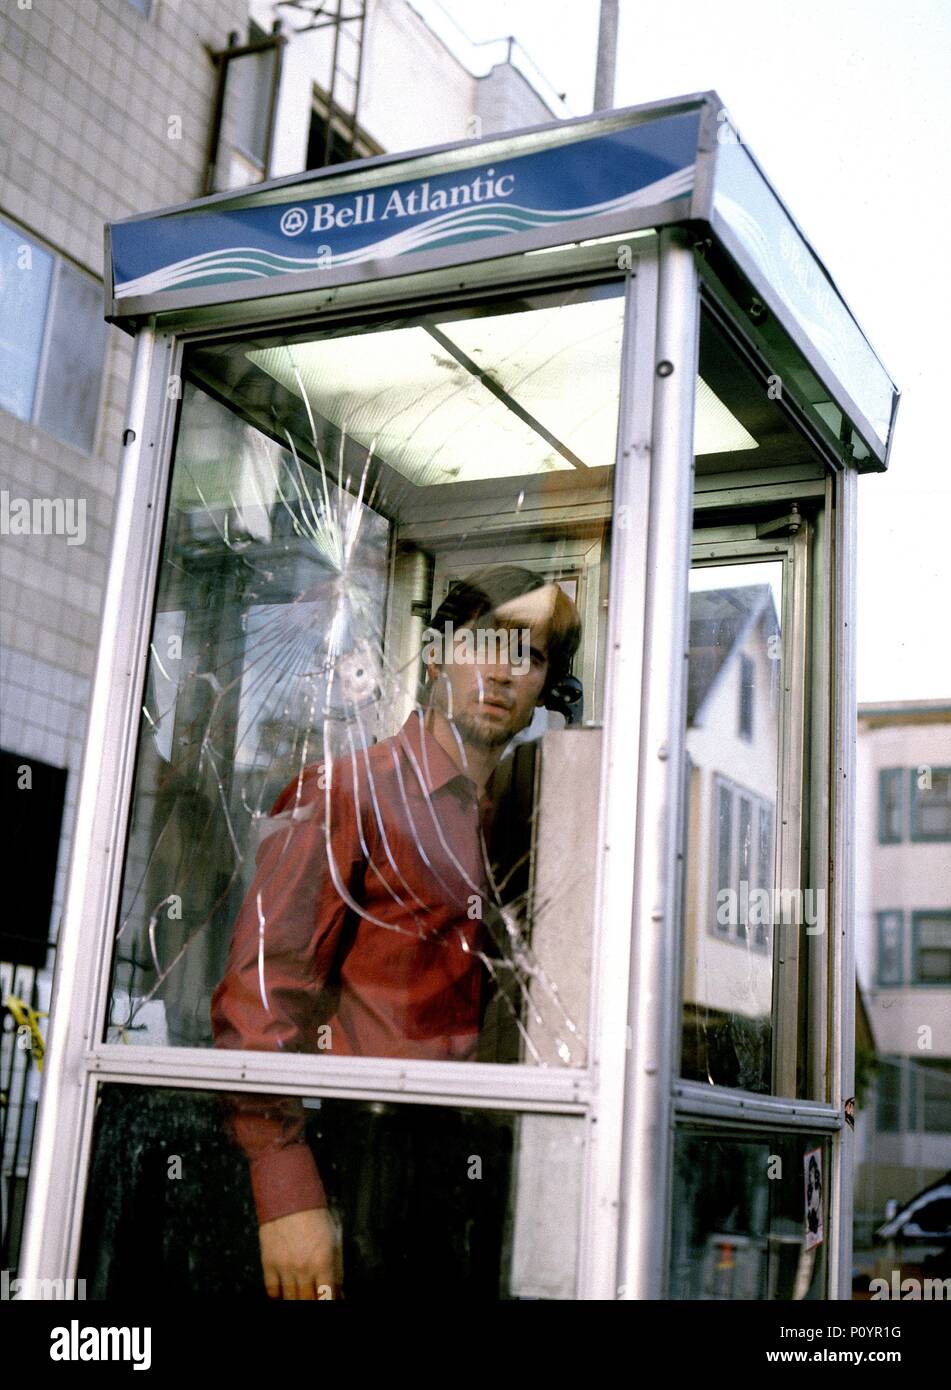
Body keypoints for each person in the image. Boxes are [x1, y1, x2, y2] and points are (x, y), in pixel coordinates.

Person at [210, 564, 582, 1299]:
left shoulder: (535, 820)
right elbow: (260, 995)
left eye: (531, 656)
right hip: (356, 1161)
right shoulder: (346, 793)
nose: (504, 673)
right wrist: (285, 1189)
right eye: (488, 643)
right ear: (438, 652)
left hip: (486, 1180)